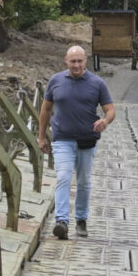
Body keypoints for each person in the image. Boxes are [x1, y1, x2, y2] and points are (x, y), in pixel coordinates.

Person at [38, 45, 116, 241]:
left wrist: (105, 121)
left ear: (85, 61)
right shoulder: (55, 81)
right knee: (63, 177)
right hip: (62, 139)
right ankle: (61, 221)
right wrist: (41, 136)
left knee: (83, 182)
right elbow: (46, 109)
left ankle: (81, 219)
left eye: (80, 61)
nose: (76, 65)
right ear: (66, 61)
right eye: (73, 61)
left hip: (87, 140)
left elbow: (110, 109)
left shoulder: (97, 83)